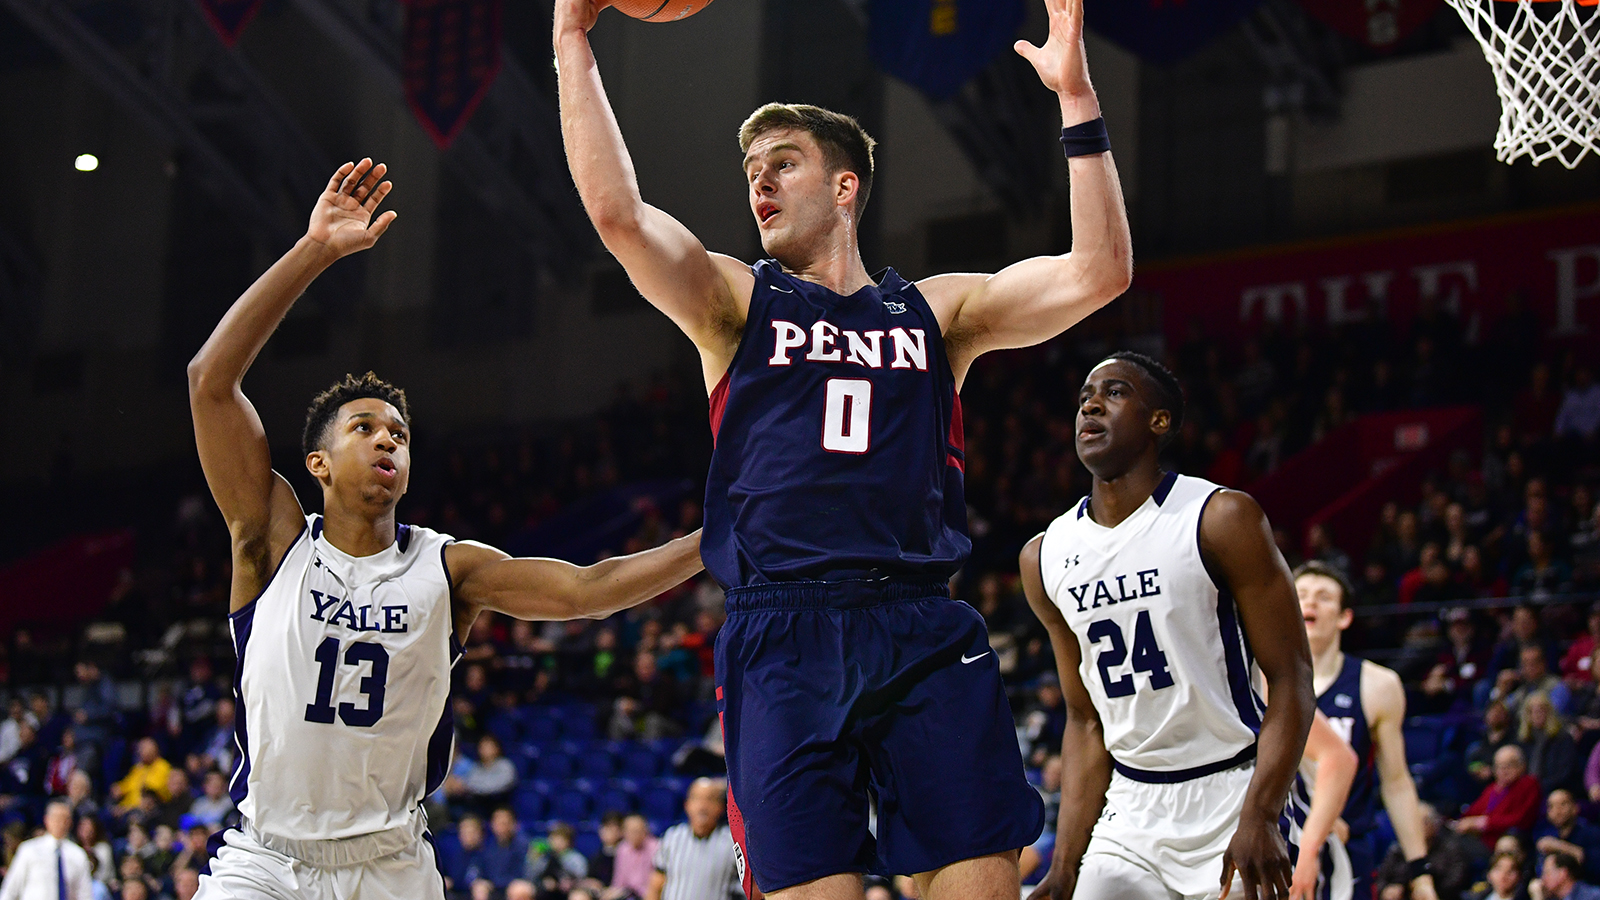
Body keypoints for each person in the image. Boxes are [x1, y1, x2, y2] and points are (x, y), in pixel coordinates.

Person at [556, 0, 1131, 893]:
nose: (760, 181)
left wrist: (1078, 102)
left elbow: (1099, 273)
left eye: (783, 162)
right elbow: (619, 216)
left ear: (845, 186)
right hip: (781, 631)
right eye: (751, 169)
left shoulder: (937, 311)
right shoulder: (736, 303)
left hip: (920, 623)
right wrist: (571, 41)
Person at [185, 159, 706, 900]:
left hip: (390, 866)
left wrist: (714, 539)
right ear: (318, 464)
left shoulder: (449, 568)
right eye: (364, 428)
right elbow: (210, 382)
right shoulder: (272, 542)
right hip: (265, 861)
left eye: (399, 433)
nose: (388, 439)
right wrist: (315, 251)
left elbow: (590, 590)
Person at [1020, 354, 1316, 900]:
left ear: (1159, 421)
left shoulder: (1221, 517)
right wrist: (1063, 868)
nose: (1091, 405)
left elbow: (1291, 676)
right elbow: (1085, 719)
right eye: (1085, 396)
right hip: (1131, 805)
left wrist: (1262, 814)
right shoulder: (1045, 556)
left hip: (1236, 785)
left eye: (1114, 392)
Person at [1296, 560, 1442, 900]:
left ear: (1345, 617)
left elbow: (1396, 782)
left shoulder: (1378, 685)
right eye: (1301, 595)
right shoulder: (1257, 680)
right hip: (1280, 843)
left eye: (1323, 596)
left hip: (1348, 848)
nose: (1311, 602)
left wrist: (1419, 871)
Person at [646, 780, 740, 900]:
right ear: (687, 805)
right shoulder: (672, 837)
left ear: (721, 807)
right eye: (697, 799)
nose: (702, 806)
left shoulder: (732, 842)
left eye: (710, 799)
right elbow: (656, 886)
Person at [0, 800, 93, 900]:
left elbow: (84, 894)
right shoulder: (29, 850)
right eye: (57, 818)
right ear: (47, 820)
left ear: (70, 822)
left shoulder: (78, 854)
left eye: (65, 819)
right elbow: (11, 889)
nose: (61, 823)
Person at [1456, 745, 1542, 848]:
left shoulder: (1528, 784)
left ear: (1522, 766)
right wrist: (1466, 823)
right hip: (1481, 839)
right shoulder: (1493, 788)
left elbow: (1521, 819)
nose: (1503, 771)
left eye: (1509, 765)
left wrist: (1482, 823)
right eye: (1499, 767)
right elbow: (1471, 813)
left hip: (1508, 840)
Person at [1535, 790, 1600, 884]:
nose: (1557, 811)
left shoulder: (1591, 833)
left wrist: (1560, 846)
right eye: (1551, 806)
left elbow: (1594, 865)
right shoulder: (1548, 836)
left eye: (1563, 804)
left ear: (1575, 808)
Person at [608, 815, 657, 900]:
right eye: (630, 831)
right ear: (624, 832)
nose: (634, 835)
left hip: (646, 895)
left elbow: (656, 882)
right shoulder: (622, 848)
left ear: (645, 831)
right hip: (626, 894)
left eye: (638, 831)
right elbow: (618, 881)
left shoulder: (655, 848)